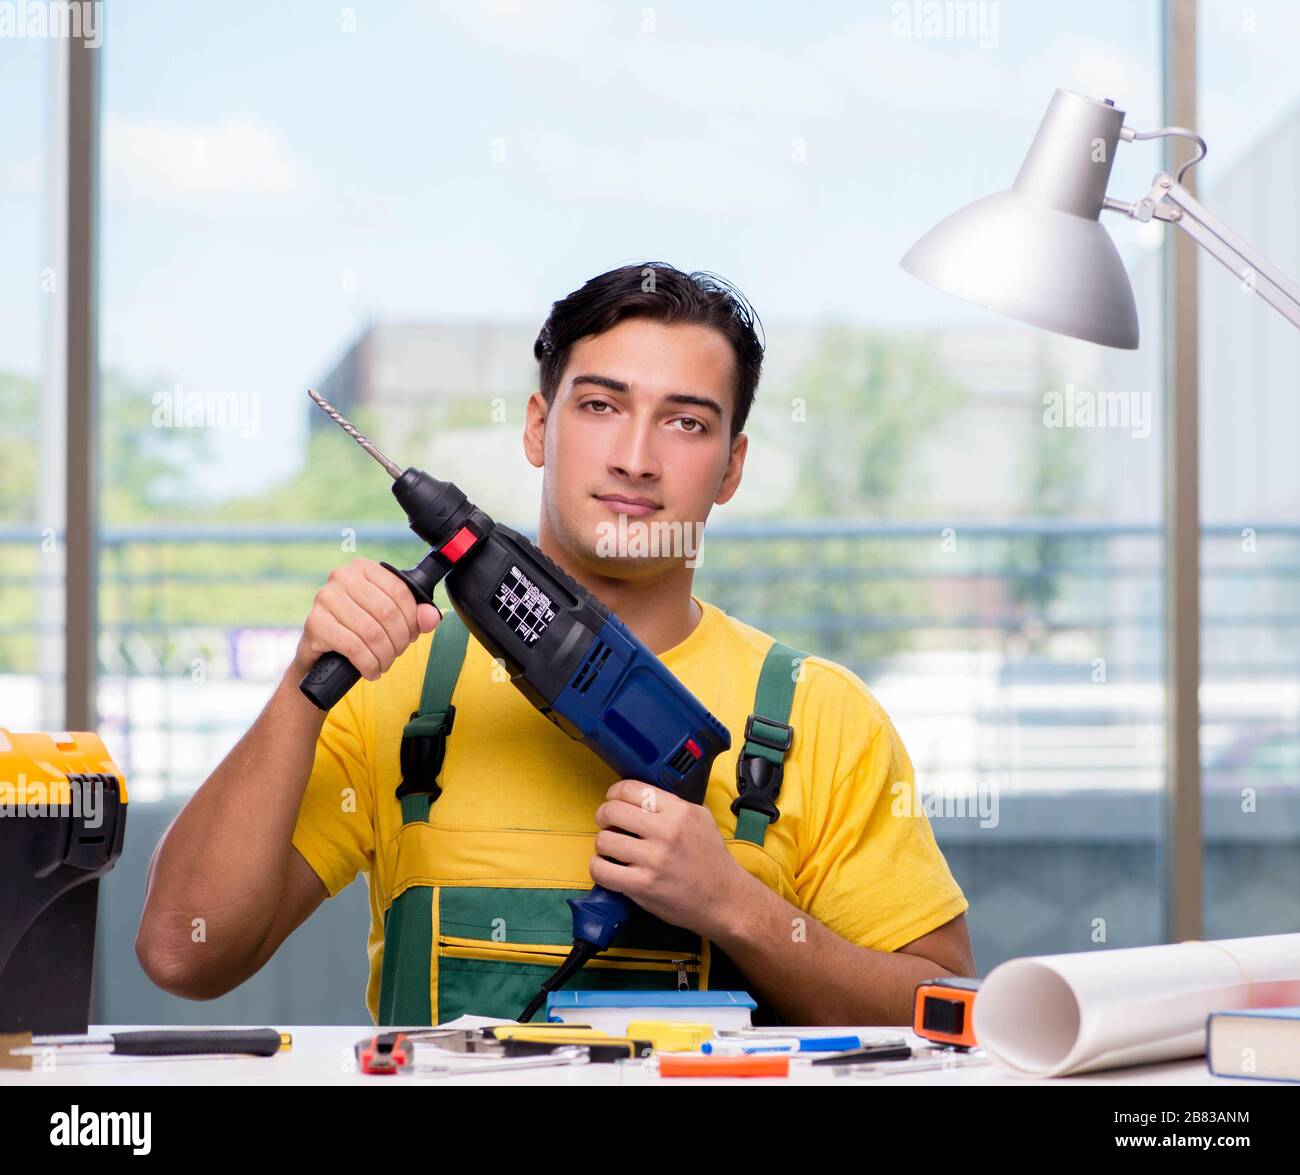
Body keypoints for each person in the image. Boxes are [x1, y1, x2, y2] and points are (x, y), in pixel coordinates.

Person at [136, 261, 974, 1026]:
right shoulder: (399, 685)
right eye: (601, 406)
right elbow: (185, 953)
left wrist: (736, 908)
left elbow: (949, 1013)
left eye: (685, 422)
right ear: (539, 426)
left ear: (731, 466)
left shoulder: (819, 717)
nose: (636, 458)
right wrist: (301, 688)